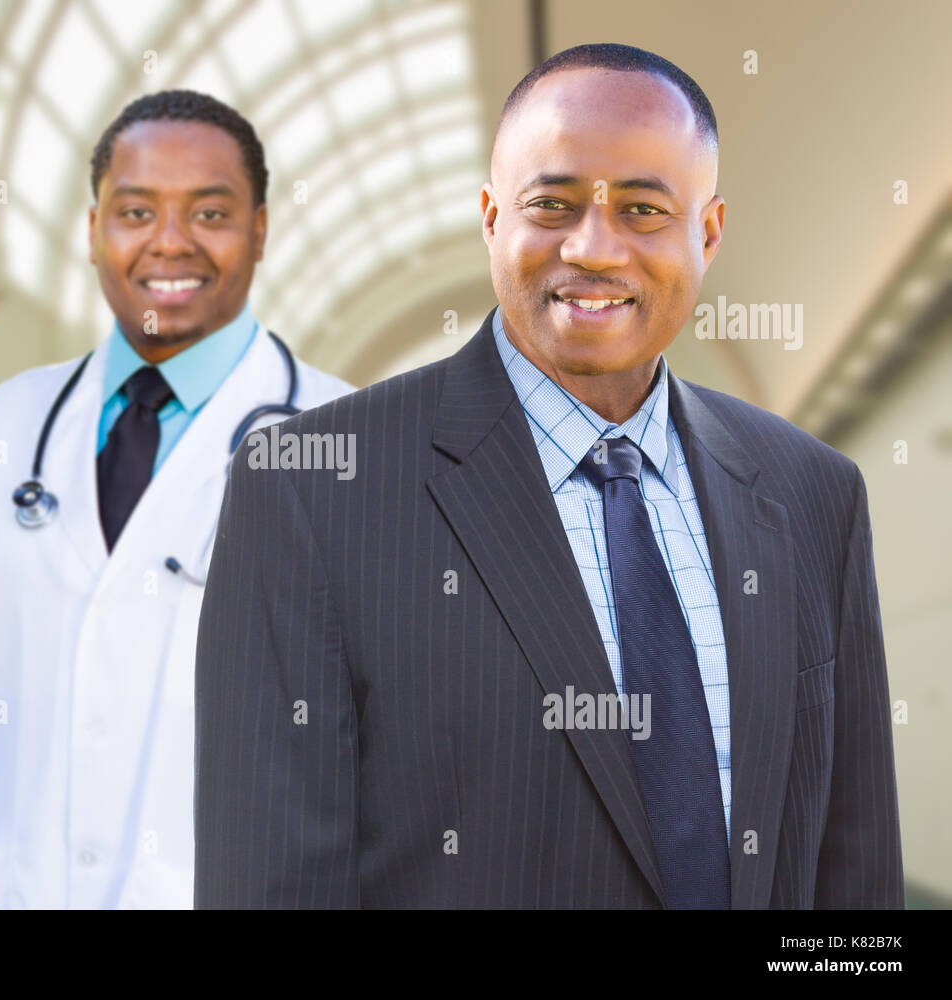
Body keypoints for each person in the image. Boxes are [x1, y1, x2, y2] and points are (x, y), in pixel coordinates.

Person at [193, 45, 903, 909]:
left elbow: (853, 879)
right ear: (493, 218)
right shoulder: (308, 491)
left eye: (644, 209)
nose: (594, 248)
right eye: (551, 204)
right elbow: (268, 885)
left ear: (707, 232)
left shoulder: (814, 495)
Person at [0, 90, 352, 908]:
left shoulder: (352, 447)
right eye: (135, 211)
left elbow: (401, 764)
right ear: (93, 231)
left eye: (210, 212)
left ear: (259, 231)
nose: (169, 242)